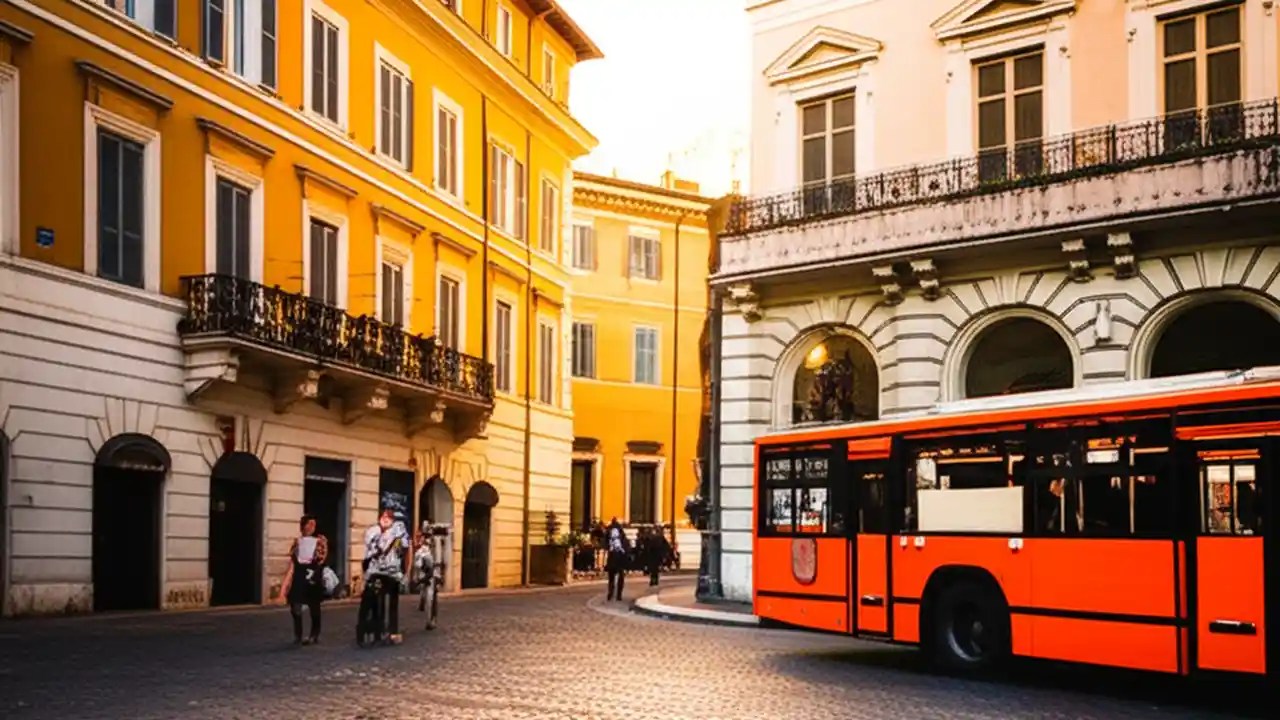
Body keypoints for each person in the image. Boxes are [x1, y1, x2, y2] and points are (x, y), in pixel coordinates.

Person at [362, 508, 411, 644]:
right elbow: (367, 553)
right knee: (377, 600)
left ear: (392, 520)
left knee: (393, 602)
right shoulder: (373, 533)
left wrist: (406, 572)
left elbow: (406, 551)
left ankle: (393, 631)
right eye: (383, 516)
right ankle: (378, 630)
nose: (385, 518)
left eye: (388, 517)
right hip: (376, 571)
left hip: (392, 573)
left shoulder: (398, 534)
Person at [280, 514, 328, 646]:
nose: (312, 527)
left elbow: (322, 558)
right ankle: (298, 634)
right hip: (299, 574)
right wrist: (285, 586)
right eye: (309, 524)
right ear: (303, 526)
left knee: (314, 606)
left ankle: (314, 633)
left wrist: (315, 569)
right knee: (295, 605)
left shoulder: (320, 540)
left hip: (313, 573)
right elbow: (292, 563)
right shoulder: (297, 542)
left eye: (314, 524)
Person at [604, 518, 631, 602]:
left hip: (613, 557)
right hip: (619, 557)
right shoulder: (621, 533)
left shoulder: (609, 532)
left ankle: (611, 593)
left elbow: (605, 544)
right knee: (620, 576)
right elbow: (626, 545)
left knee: (612, 577)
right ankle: (618, 594)